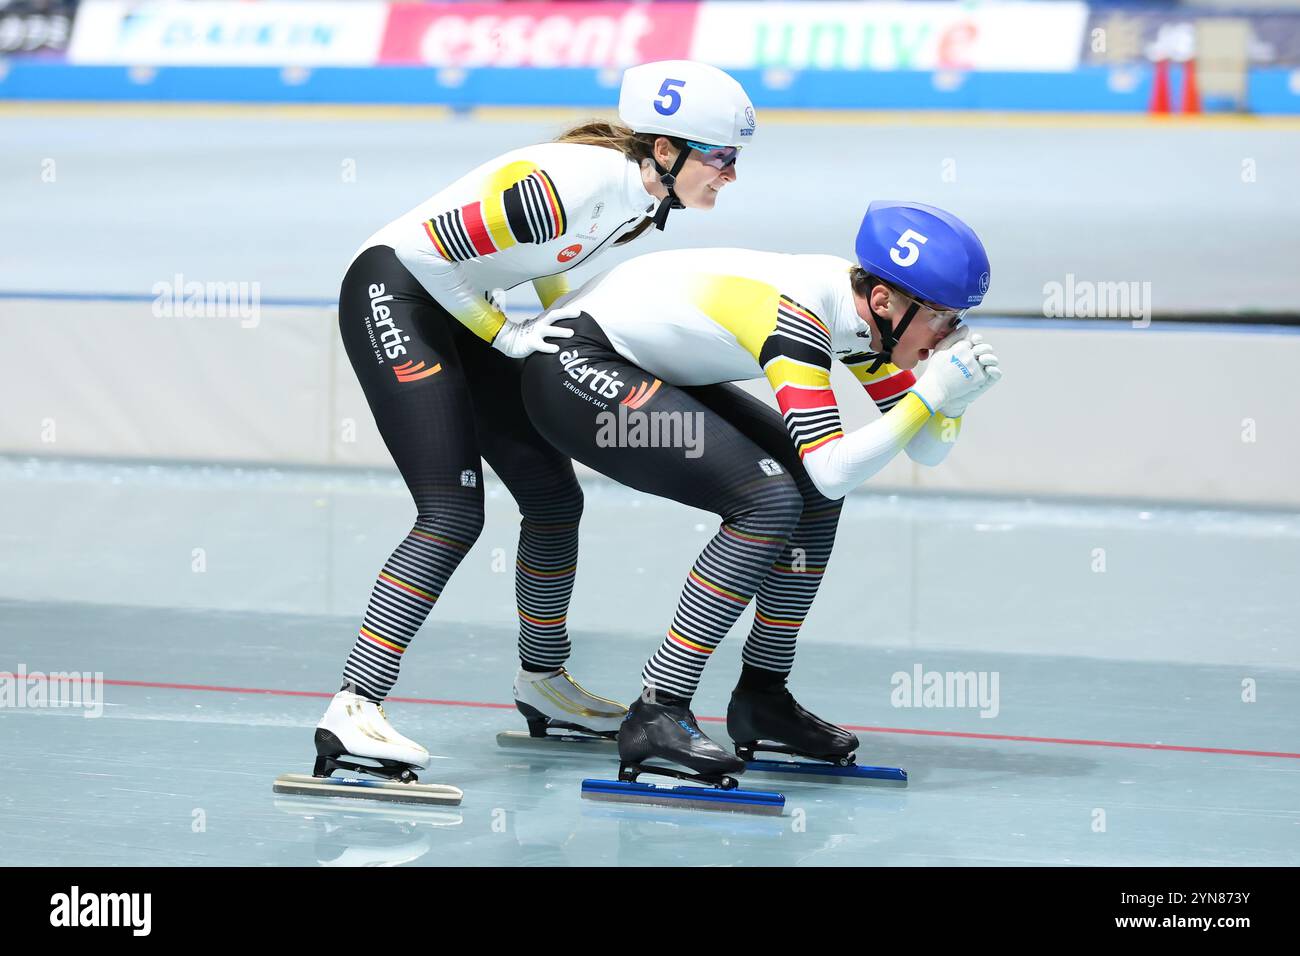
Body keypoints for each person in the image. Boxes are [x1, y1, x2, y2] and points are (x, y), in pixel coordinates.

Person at [312, 61, 759, 784]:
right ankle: (352, 706)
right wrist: (508, 334)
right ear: (667, 150)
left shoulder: (638, 196)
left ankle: (543, 683)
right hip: (396, 295)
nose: (732, 175)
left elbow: (554, 264)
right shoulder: (569, 184)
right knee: (451, 515)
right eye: (723, 157)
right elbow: (425, 256)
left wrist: (546, 320)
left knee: (554, 499)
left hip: (453, 308)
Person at [519, 201, 1001, 785]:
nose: (953, 335)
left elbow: (921, 449)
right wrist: (933, 395)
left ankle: (761, 696)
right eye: (946, 318)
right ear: (885, 302)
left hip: (646, 364)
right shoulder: (797, 316)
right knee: (770, 500)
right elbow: (833, 466)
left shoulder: (863, 317)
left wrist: (951, 401)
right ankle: (657, 711)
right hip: (574, 367)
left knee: (809, 495)